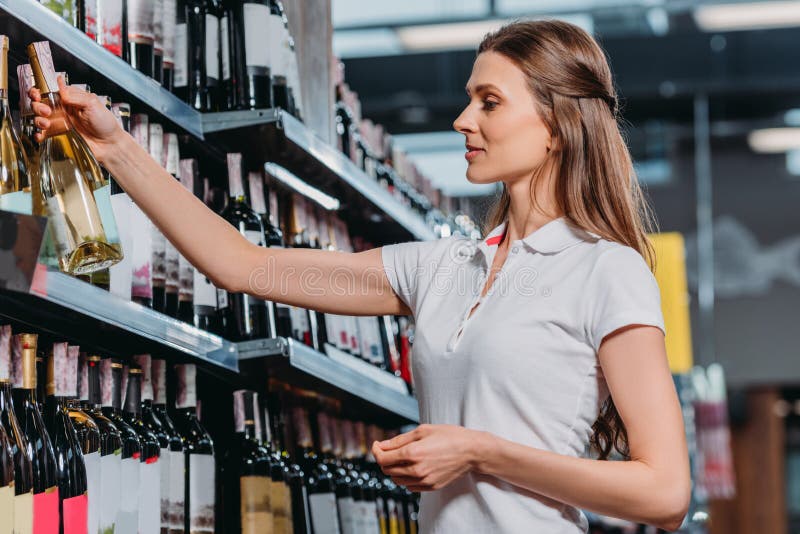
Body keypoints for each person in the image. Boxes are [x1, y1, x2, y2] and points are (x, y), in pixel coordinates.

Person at [30, 19, 690, 534]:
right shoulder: (440, 268)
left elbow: (665, 495)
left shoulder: (606, 270)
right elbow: (243, 263)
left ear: (557, 128)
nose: (463, 120)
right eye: (468, 100)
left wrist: (481, 452)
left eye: (489, 102)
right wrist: (115, 147)